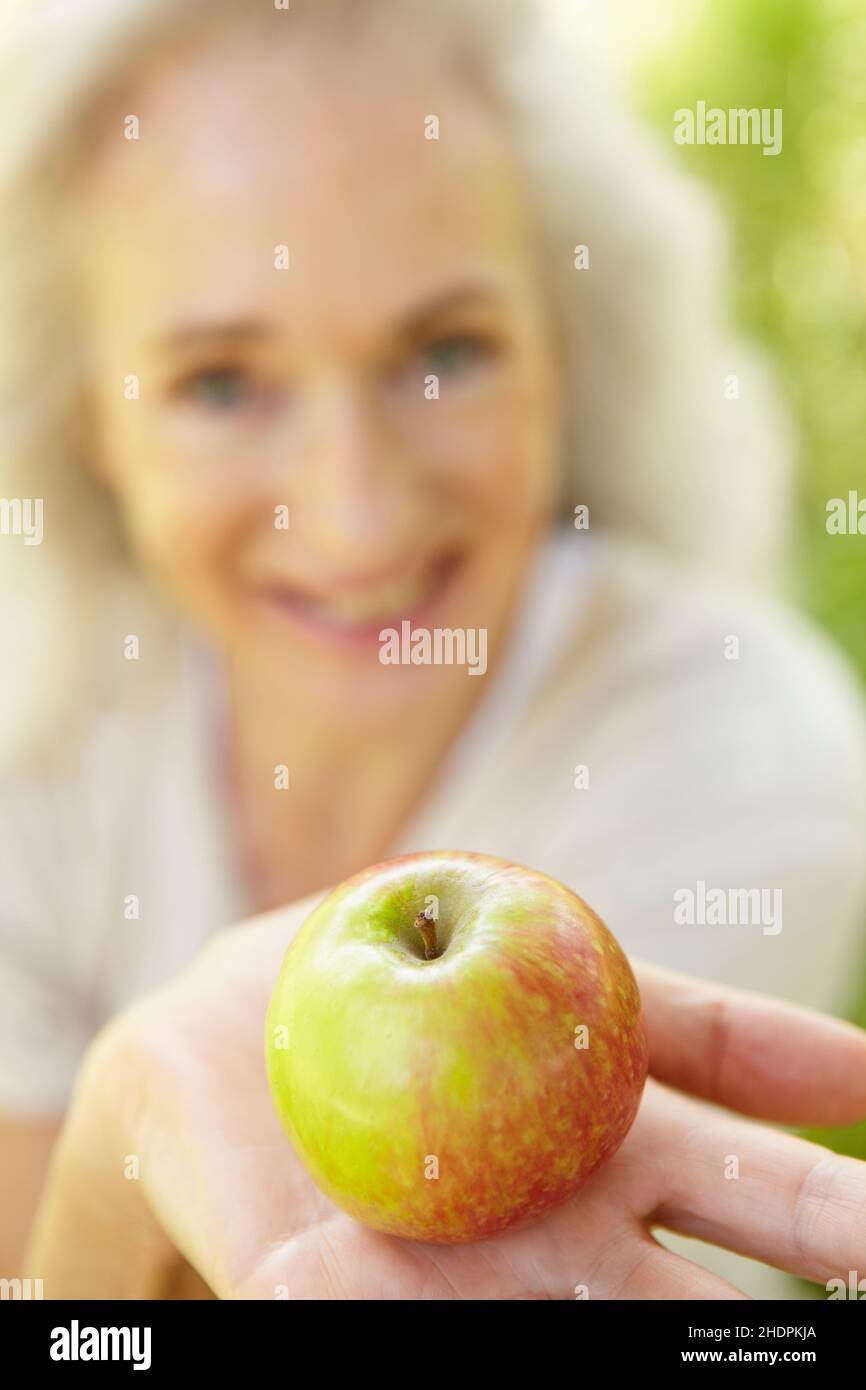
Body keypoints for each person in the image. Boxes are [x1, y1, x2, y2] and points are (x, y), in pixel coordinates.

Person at [1, 0, 865, 1298]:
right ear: (88, 425)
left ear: (566, 358)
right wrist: (127, 1107)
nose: (353, 516)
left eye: (444, 352)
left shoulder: (733, 742)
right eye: (221, 383)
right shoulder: (37, 718)